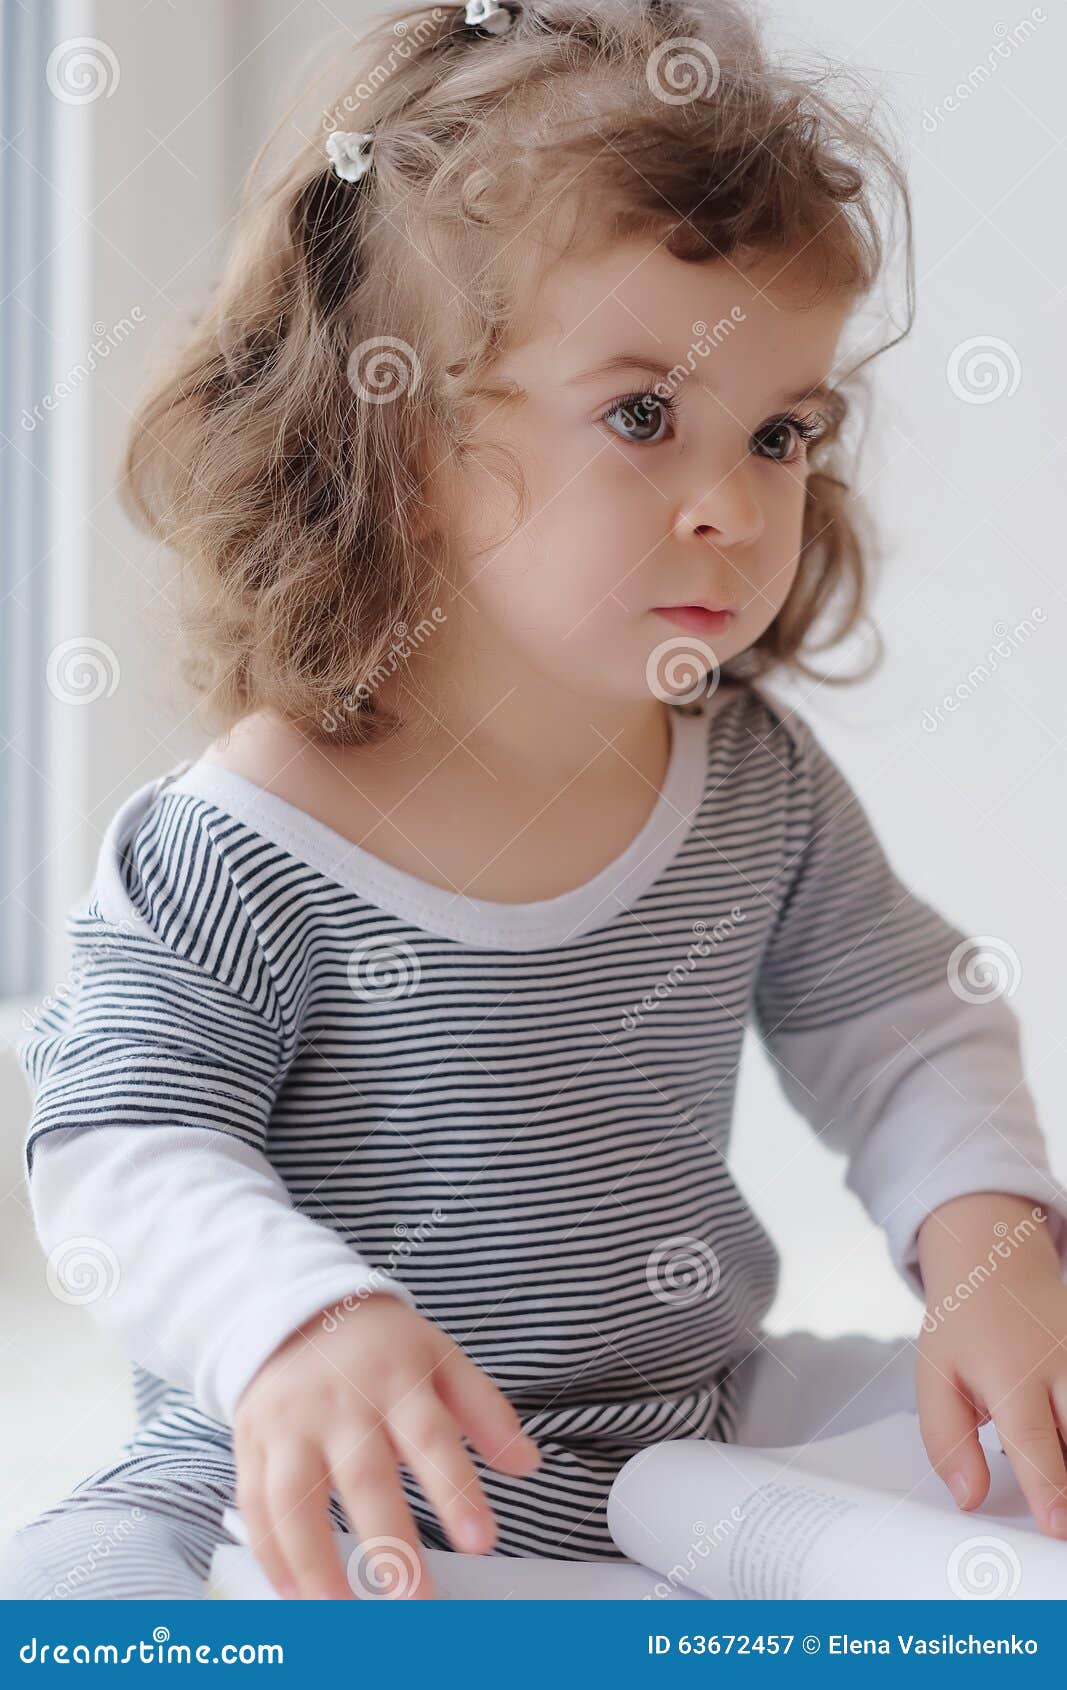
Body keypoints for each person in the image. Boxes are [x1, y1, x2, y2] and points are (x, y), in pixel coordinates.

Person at [4, 0, 1067, 1603]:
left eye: (781, 432)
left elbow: (904, 1026)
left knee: (1023, 1426)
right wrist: (299, 1324)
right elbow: (118, 1138)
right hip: (304, 1461)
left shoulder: (747, 774)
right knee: (86, 1600)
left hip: (689, 1427)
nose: (731, 503)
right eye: (643, 416)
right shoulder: (233, 843)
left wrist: (991, 1250)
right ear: (403, 441)